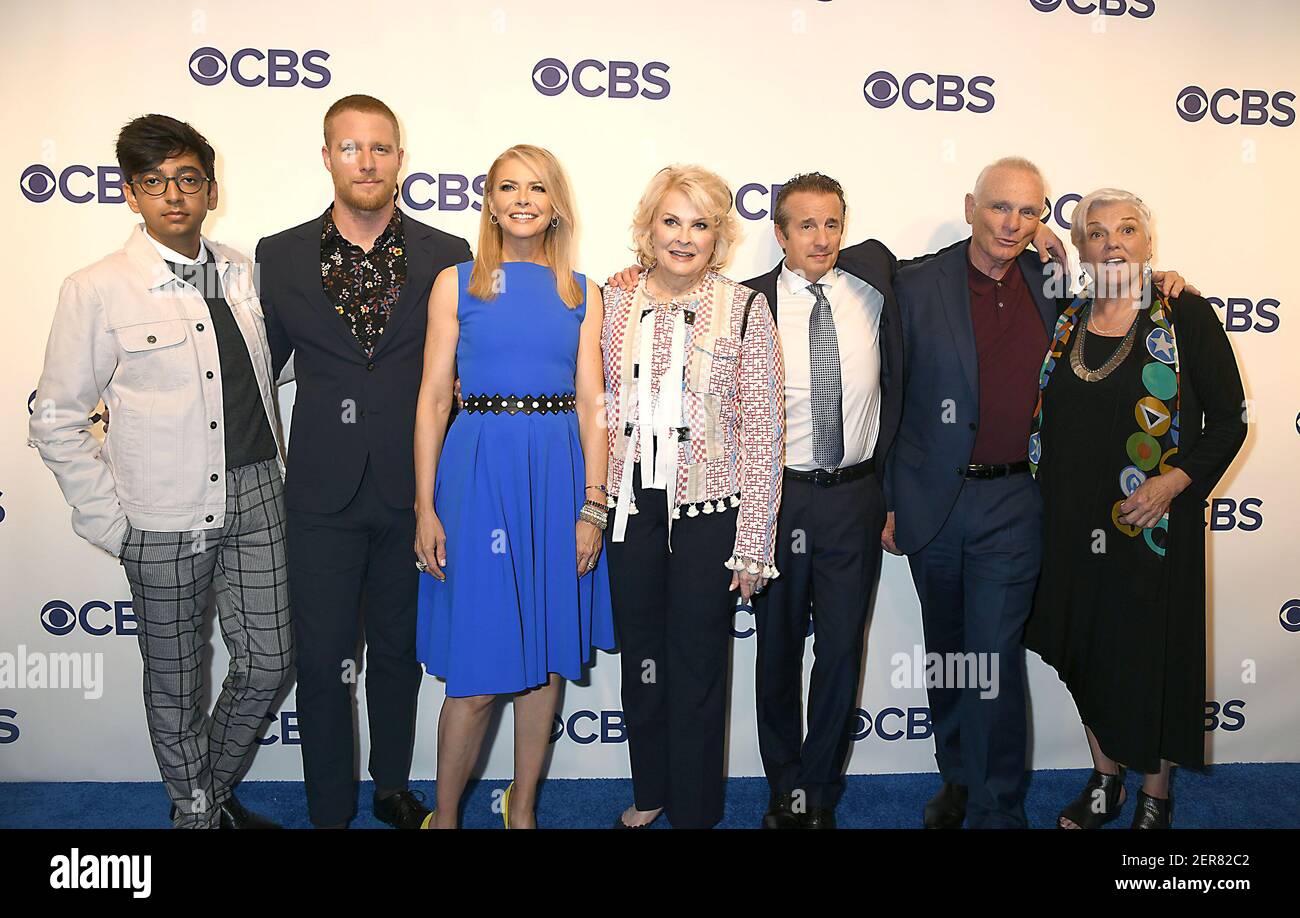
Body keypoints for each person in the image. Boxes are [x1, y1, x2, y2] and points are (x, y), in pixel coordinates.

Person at [742, 173, 1066, 830]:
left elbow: (1112, 305)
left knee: (850, 654)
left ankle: (983, 803)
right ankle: (792, 790)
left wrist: (1160, 282)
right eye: (805, 225)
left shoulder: (877, 277)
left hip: (872, 498)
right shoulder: (746, 302)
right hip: (781, 499)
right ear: (779, 234)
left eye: (832, 223)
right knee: (780, 653)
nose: (821, 236)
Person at [883, 157, 1191, 829]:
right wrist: (888, 499)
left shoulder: (1052, 282)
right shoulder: (913, 282)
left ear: (1042, 218)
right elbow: (888, 392)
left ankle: (998, 809)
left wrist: (1166, 282)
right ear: (970, 207)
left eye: (1029, 212)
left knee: (991, 657)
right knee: (950, 656)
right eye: (999, 208)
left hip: (1015, 504)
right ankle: (957, 780)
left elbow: (1126, 296)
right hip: (933, 501)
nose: (1012, 223)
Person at [29, 114, 289, 828]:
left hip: (261, 491)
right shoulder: (97, 288)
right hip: (161, 510)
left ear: (211, 186)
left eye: (187, 179)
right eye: (154, 182)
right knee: (175, 683)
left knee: (269, 661)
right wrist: (109, 522)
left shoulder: (239, 269)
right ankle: (197, 812)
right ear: (131, 192)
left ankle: (206, 789)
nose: (173, 196)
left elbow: (264, 373)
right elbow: (56, 414)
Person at [255, 95, 471, 829]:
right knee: (319, 663)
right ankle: (326, 811)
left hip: (414, 490)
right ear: (326, 157)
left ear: (400, 159)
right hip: (319, 493)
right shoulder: (277, 254)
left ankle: (390, 787)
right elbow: (257, 373)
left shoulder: (449, 255)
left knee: (398, 656)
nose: (367, 161)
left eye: (380, 148)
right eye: (351, 148)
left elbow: (461, 379)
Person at [1024, 189, 1246, 830]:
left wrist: (1172, 484)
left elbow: (1229, 420)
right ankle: (1105, 779)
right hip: (1069, 521)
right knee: (1084, 646)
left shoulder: (1186, 315)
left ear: (1149, 242)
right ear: (1083, 249)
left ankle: (1155, 791)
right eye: (1096, 233)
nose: (1112, 241)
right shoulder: (1066, 316)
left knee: (1147, 652)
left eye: (1126, 229)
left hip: (1151, 520)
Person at [412, 144, 614, 829]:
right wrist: (425, 506)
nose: (522, 199)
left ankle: (520, 808)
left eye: (536, 187)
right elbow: (434, 399)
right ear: (490, 201)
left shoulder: (583, 292)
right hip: (478, 473)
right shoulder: (456, 282)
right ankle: (444, 817)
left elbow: (594, 404)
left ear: (556, 202)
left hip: (557, 473)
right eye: (508, 187)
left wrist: (594, 502)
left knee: (548, 659)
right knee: (476, 670)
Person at [602, 165, 784, 829]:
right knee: (644, 659)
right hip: (631, 507)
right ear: (648, 228)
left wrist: (754, 543)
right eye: (671, 220)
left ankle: (697, 810)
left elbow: (763, 432)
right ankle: (651, 788)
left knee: (699, 663)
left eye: (700, 224)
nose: (684, 236)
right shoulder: (612, 302)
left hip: (711, 510)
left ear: (719, 237)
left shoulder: (743, 308)